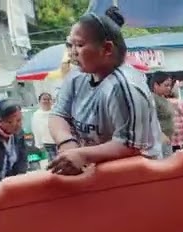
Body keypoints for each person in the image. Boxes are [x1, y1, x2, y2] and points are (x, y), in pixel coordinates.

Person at [47, 8, 163, 176]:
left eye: (79, 45)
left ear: (107, 49)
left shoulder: (124, 86)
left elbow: (131, 146)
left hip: (137, 178)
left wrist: (82, 155)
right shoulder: (77, 77)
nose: (72, 53)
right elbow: (58, 114)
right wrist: (67, 144)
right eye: (70, 45)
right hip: (101, 176)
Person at [149, 71, 175, 157]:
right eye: (166, 85)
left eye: (170, 85)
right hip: (160, 139)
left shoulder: (162, 98)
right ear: (156, 85)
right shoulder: (153, 99)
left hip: (167, 139)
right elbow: (150, 119)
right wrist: (161, 135)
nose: (169, 88)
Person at [32, 92, 56, 159]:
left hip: (59, 140)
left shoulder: (56, 112)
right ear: (40, 101)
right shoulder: (36, 115)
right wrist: (39, 144)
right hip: (47, 142)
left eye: (48, 99)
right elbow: (36, 130)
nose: (46, 101)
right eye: (44, 99)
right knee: (53, 161)